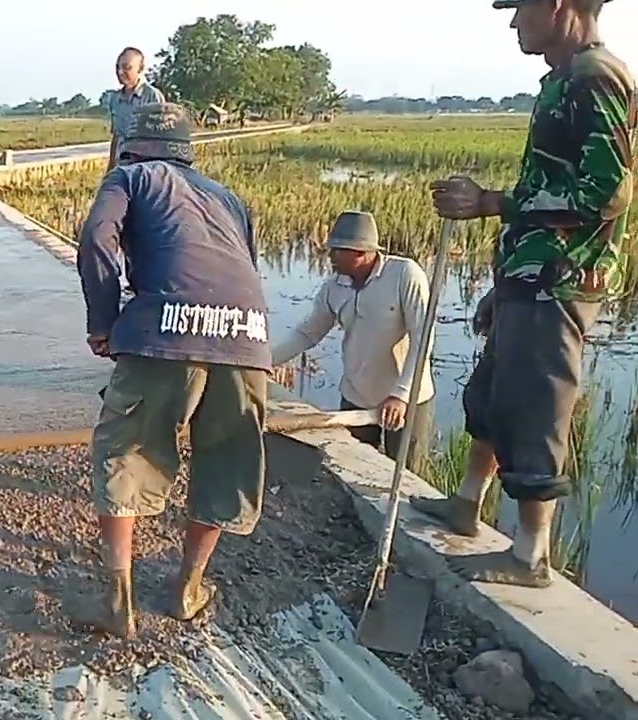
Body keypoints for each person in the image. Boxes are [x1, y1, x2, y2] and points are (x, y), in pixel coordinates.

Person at [412, 0, 635, 588]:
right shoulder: (562, 81)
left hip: (561, 276)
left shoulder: (595, 78)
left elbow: (605, 195)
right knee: (488, 396)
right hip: (529, 273)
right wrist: (506, 276)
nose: (514, 23)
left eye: (523, 9)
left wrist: (493, 203)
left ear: (560, 6)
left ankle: (530, 555)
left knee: (537, 406)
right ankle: (467, 504)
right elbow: (549, 181)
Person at [76, 102, 271, 638]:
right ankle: (188, 588)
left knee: (126, 452)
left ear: (130, 147)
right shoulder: (226, 196)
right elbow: (244, 270)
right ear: (188, 152)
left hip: (163, 329)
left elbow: (96, 240)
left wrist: (104, 321)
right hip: (247, 338)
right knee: (225, 459)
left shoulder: (130, 177)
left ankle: (119, 601)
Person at [270, 211, 435, 474]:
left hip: (406, 400)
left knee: (406, 475)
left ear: (361, 251)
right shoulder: (333, 287)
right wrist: (264, 362)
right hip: (356, 396)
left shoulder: (405, 275)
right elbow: (308, 333)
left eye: (338, 250)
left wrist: (401, 395)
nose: (331, 257)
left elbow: (422, 338)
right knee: (356, 470)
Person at [106, 47, 165, 171]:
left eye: (127, 67)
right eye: (118, 67)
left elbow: (162, 138)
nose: (120, 72)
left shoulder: (152, 96)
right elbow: (116, 137)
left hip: (146, 168)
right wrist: (110, 171)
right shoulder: (115, 100)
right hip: (122, 168)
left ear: (141, 69)